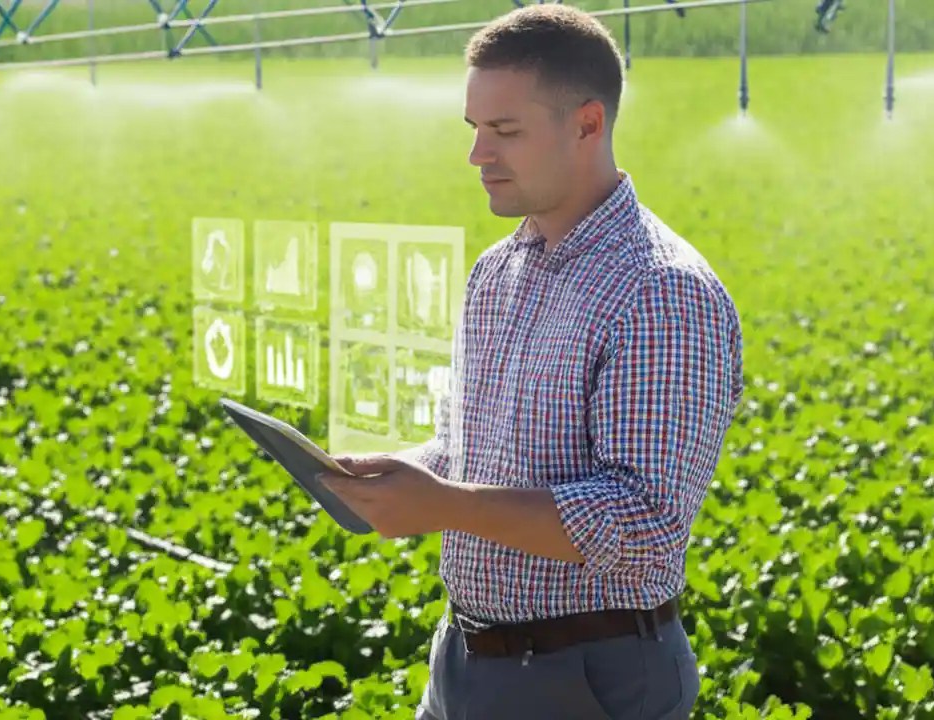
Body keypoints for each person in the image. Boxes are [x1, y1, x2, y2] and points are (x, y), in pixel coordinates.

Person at [319, 5, 744, 719]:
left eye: (505, 131)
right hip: (464, 657)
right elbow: (469, 451)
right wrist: (392, 475)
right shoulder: (496, 271)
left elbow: (644, 523)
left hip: (589, 673)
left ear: (587, 124)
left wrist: (445, 504)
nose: (478, 154)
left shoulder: (660, 290)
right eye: (475, 128)